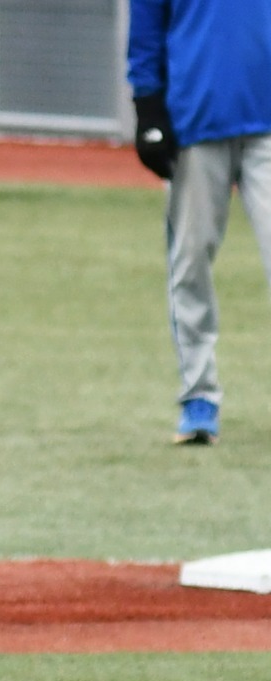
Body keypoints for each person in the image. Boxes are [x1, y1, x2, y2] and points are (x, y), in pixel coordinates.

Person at [127, 0, 271, 445]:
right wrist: (148, 107)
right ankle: (198, 398)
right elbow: (146, 28)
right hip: (195, 120)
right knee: (190, 263)